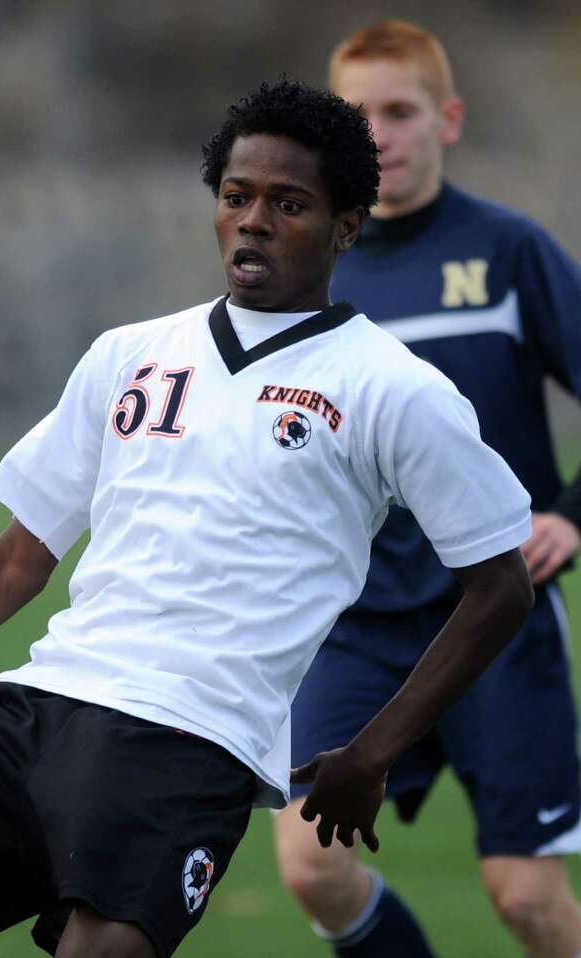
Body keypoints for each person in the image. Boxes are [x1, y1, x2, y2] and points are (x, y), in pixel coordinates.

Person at [0, 79, 536, 958]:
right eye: (237, 197)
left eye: (288, 204)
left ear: (345, 226)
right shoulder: (129, 355)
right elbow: (14, 563)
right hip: (46, 699)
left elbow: (501, 587)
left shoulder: (393, 388)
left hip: (194, 738)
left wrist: (373, 752)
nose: (254, 221)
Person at [273, 20, 581, 958]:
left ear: (446, 119)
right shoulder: (307, 274)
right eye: (357, 117)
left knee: (525, 896)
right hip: (357, 626)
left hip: (496, 616)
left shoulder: (507, 252)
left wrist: (568, 511)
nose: (380, 135)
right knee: (309, 862)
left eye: (400, 111)